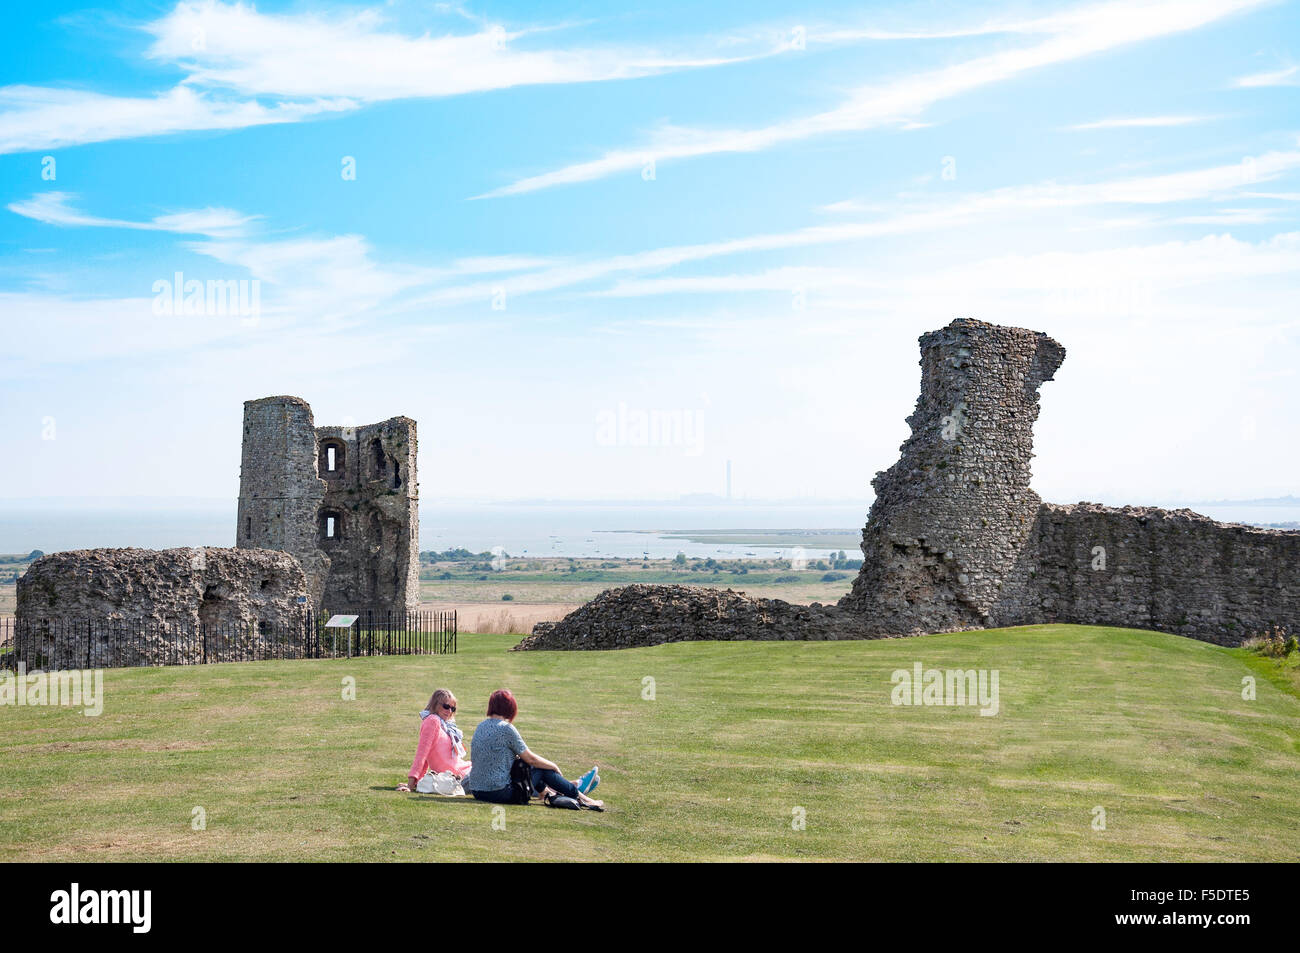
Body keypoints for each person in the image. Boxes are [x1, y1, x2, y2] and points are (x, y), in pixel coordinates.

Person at [465, 689, 602, 808]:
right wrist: (553, 766)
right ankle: (582, 797)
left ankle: (546, 792)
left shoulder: (481, 726)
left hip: (478, 791)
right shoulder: (506, 729)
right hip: (499, 793)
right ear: (510, 708)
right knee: (542, 769)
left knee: (523, 765)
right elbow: (531, 759)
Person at [396, 688, 472, 793]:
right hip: (460, 778)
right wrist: (410, 785)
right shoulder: (432, 721)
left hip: (465, 772)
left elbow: (428, 756)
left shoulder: (444, 725)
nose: (449, 711)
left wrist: (416, 783)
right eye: (446, 706)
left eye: (453, 708)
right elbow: (422, 755)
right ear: (435, 704)